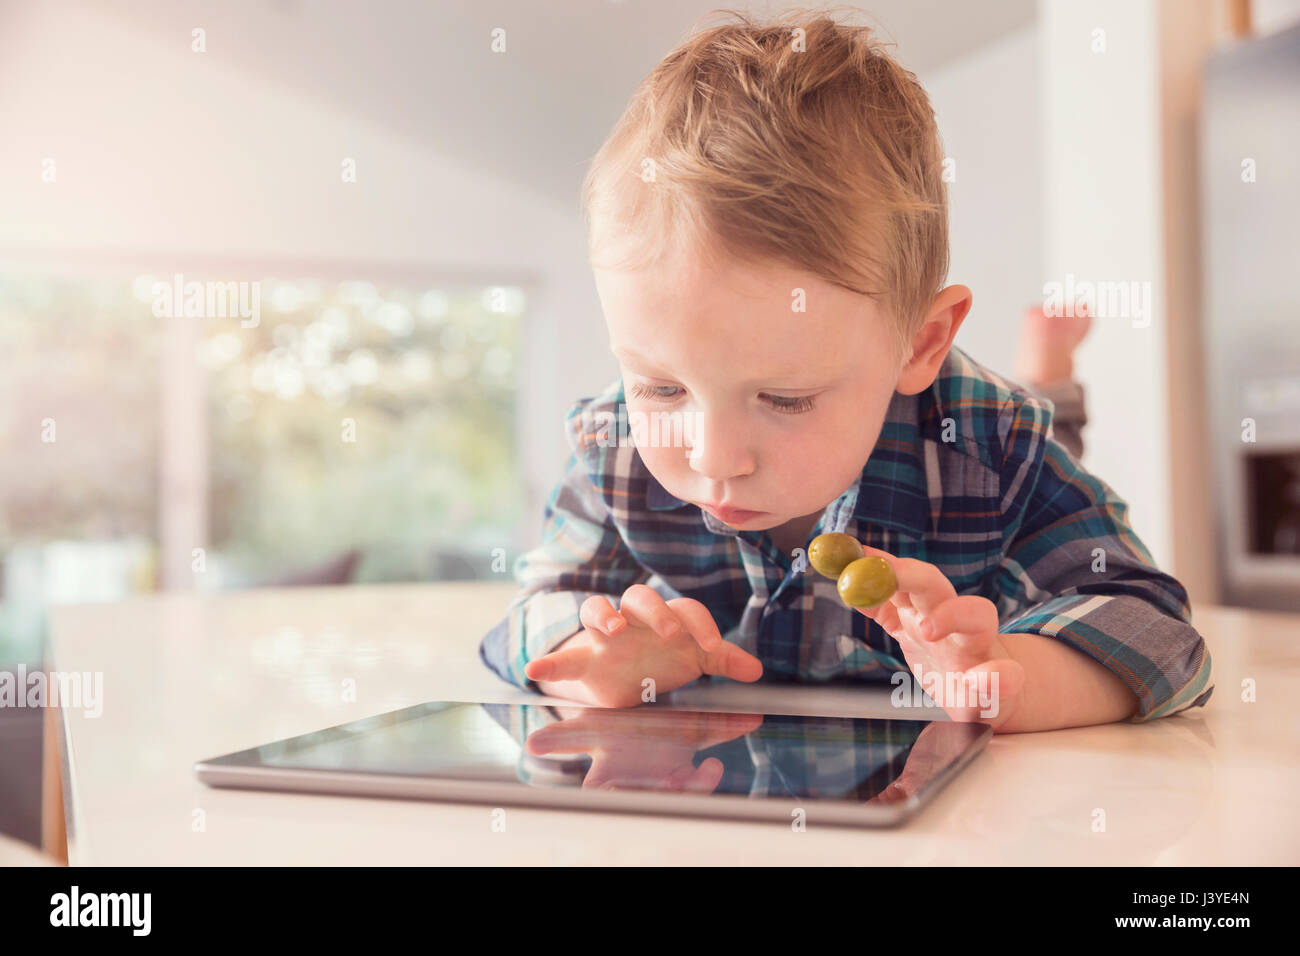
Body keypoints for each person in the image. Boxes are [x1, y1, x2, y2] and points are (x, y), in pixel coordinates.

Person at [478, 11, 1212, 733]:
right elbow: (532, 610)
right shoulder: (613, 447)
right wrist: (593, 655)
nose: (714, 458)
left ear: (921, 343)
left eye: (785, 398)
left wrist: (1008, 675)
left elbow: (1157, 632)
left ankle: (1047, 371)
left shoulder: (992, 444)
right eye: (661, 387)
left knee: (1051, 431)